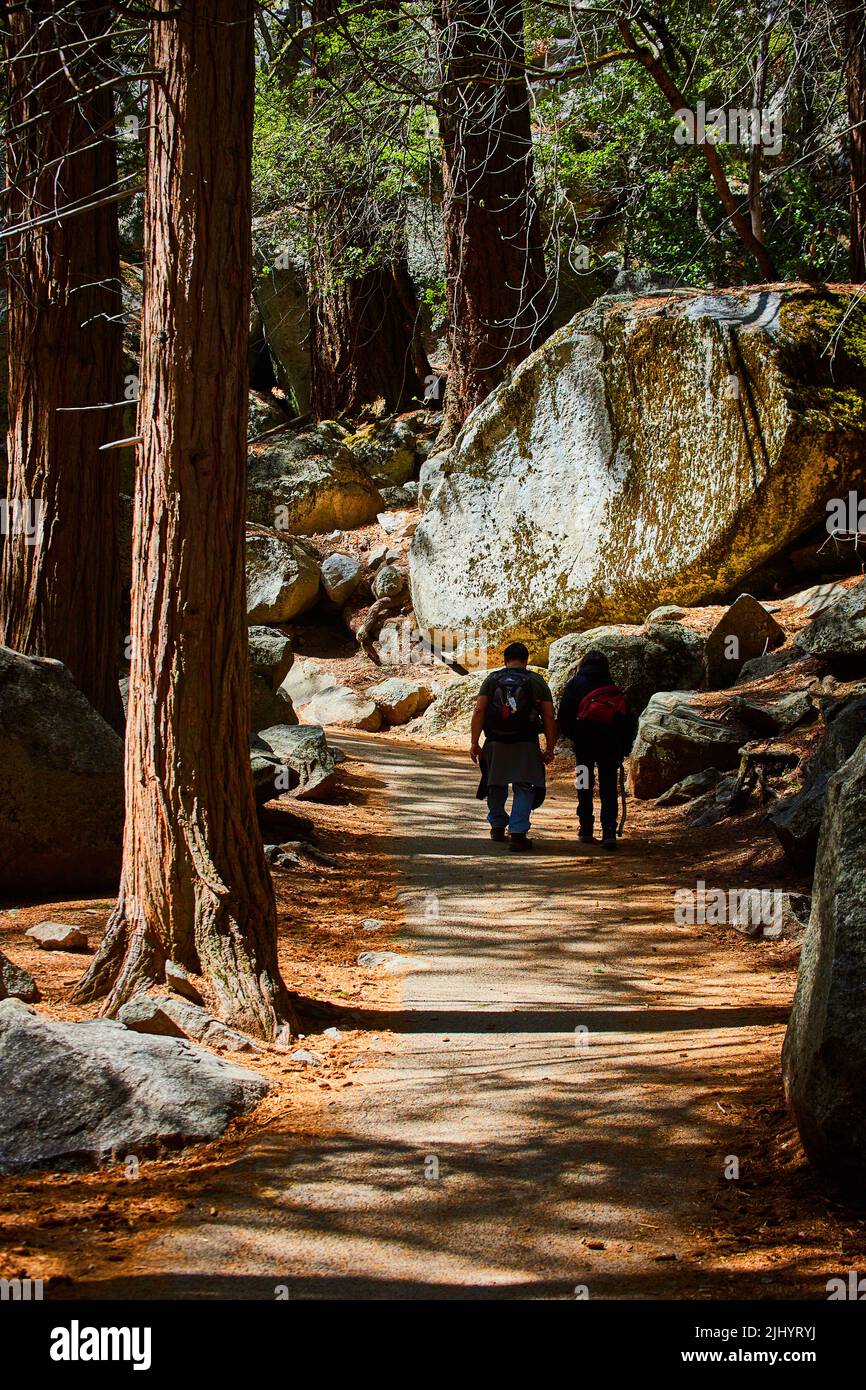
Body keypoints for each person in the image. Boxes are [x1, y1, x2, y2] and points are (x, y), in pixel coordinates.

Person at [470, 641, 556, 852]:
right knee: (524, 785)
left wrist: (474, 742)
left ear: (505, 660)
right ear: (526, 661)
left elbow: (480, 710)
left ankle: (497, 827)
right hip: (526, 742)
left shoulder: (492, 679)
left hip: (495, 741)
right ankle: (518, 833)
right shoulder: (536, 681)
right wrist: (550, 747)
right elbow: (548, 715)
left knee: (496, 783)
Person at [557, 649, 637, 851]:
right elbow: (627, 720)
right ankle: (609, 831)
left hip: (584, 745)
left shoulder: (575, 684)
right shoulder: (611, 686)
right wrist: (623, 747)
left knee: (584, 784)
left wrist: (574, 736)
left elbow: (564, 715)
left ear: (583, 664)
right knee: (608, 786)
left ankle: (585, 827)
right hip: (609, 747)